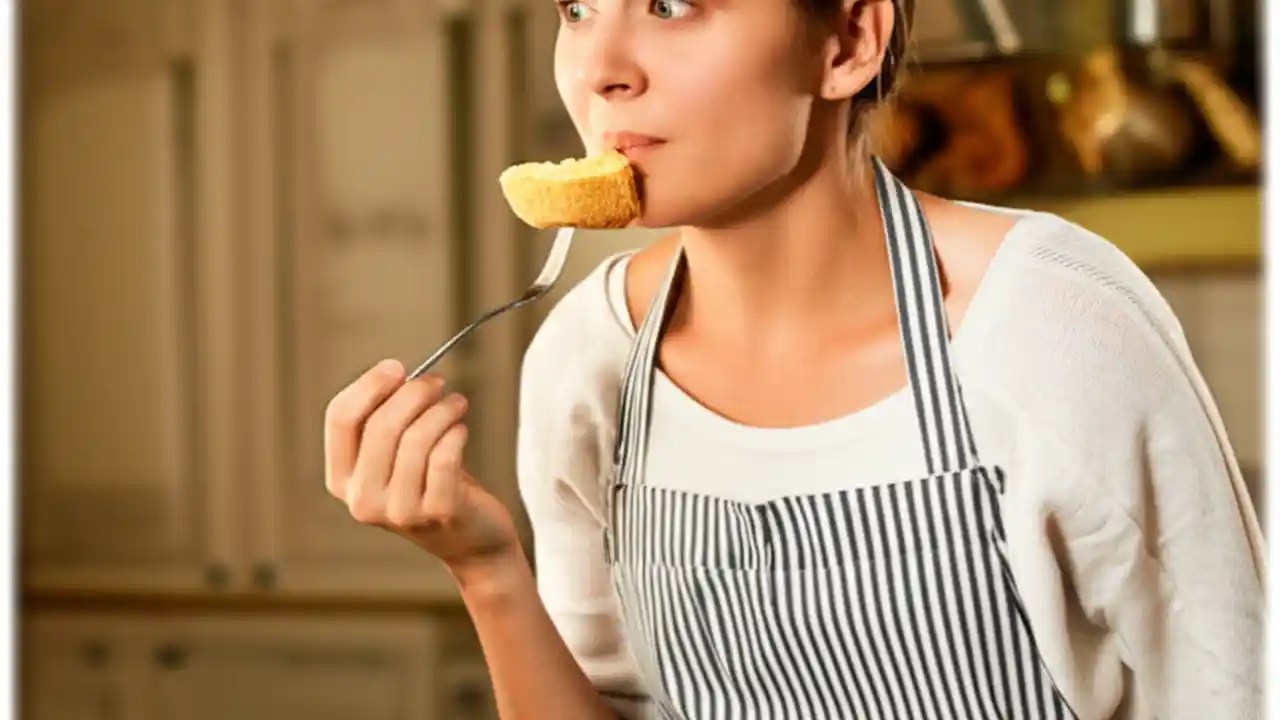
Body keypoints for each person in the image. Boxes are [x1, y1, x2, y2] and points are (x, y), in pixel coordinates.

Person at [323, 0, 1266, 717]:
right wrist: (487, 568)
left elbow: (1233, 691)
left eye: (671, 4)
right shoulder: (588, 359)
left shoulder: (1051, 320)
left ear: (847, 40)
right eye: (576, 7)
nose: (600, 69)